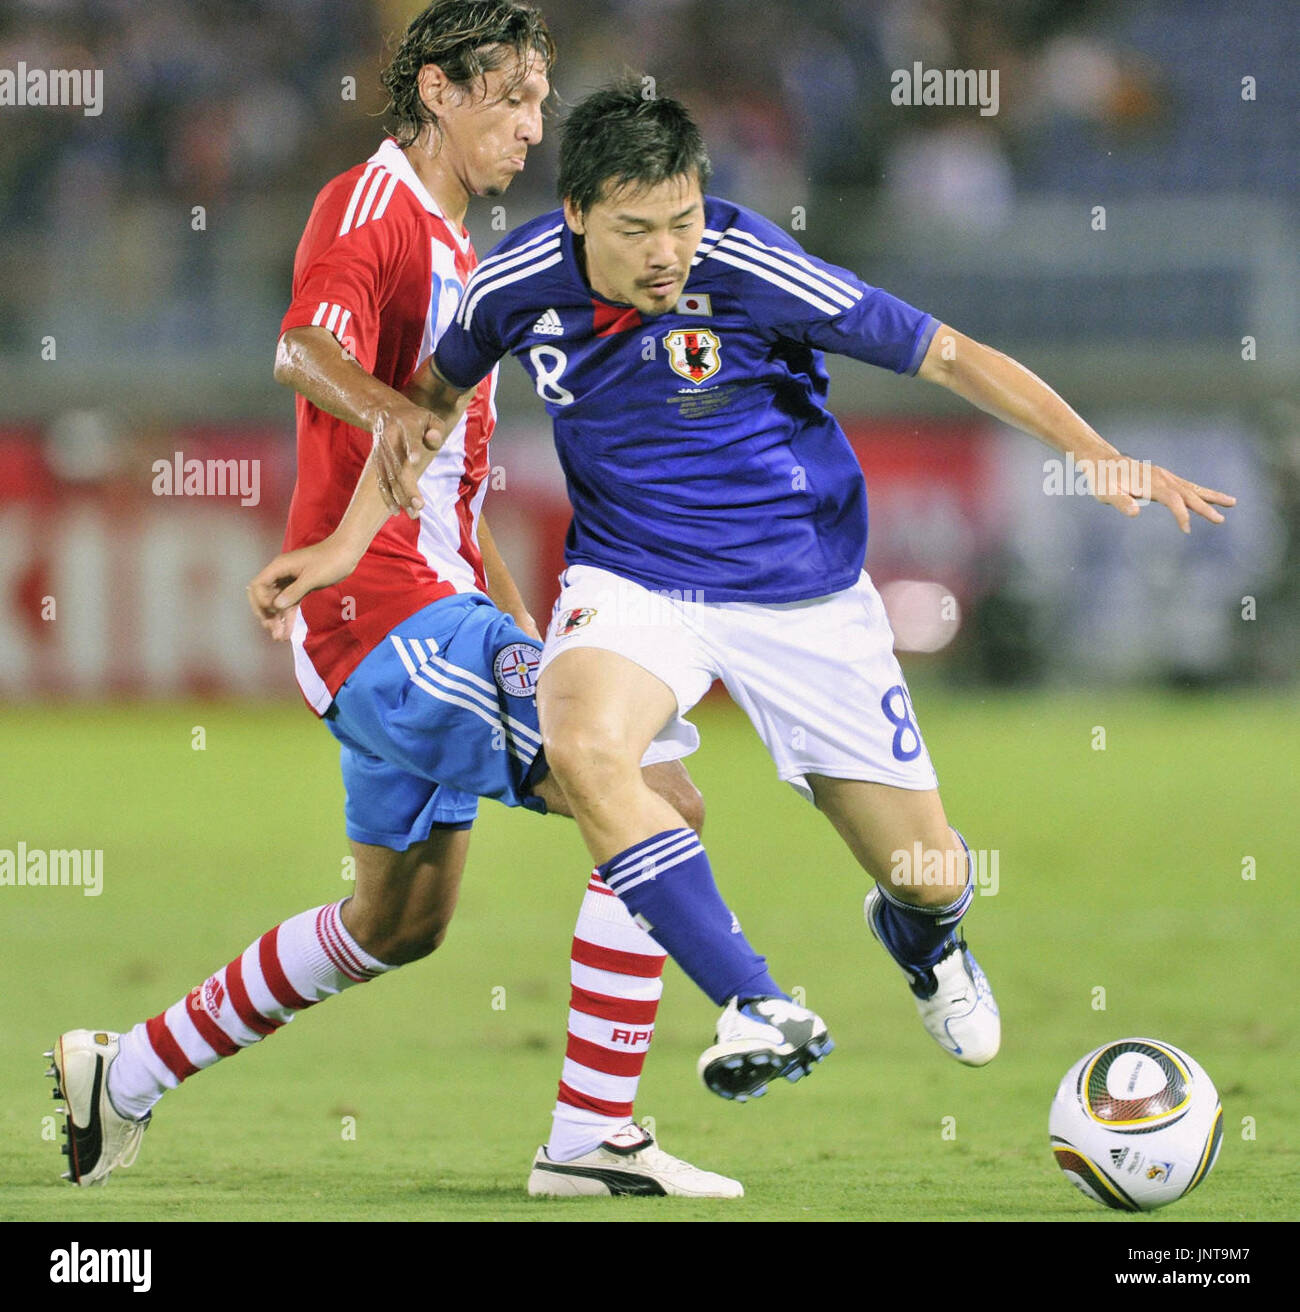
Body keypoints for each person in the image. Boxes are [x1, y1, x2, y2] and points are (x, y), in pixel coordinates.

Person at [265, 81, 1236, 1107]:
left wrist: (1092, 452)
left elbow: (945, 353)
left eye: (681, 221)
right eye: (636, 229)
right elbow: (425, 410)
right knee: (585, 746)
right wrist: (340, 548)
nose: (666, 252)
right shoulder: (512, 284)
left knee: (927, 869)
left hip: (799, 595)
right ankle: (754, 1002)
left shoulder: (748, 263)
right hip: (631, 582)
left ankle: (924, 939)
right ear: (577, 215)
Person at [47, 5, 831, 1205]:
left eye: (538, 98)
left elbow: (454, 508)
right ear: (437, 90)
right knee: (648, 786)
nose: (531, 125)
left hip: (425, 605)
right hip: (378, 610)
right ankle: (591, 1135)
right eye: (509, 98)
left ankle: (127, 1070)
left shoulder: (469, 252)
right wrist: (393, 410)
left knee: (395, 919)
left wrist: (528, 635)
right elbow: (301, 351)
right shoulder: (370, 210)